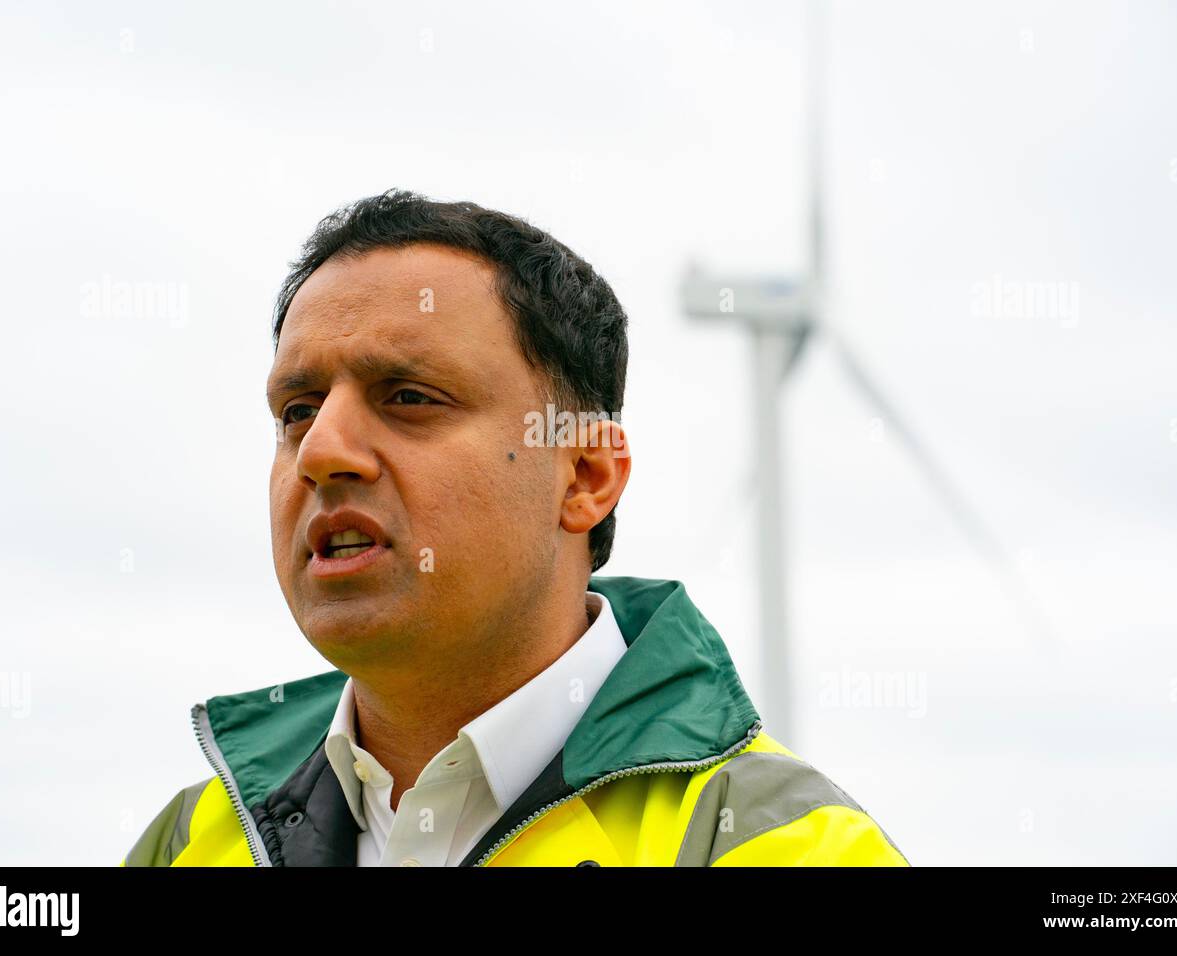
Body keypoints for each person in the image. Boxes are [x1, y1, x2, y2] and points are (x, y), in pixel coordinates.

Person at [122, 189, 908, 867]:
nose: (320, 451)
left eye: (409, 397)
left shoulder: (775, 844)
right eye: (298, 411)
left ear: (585, 476)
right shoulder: (191, 840)